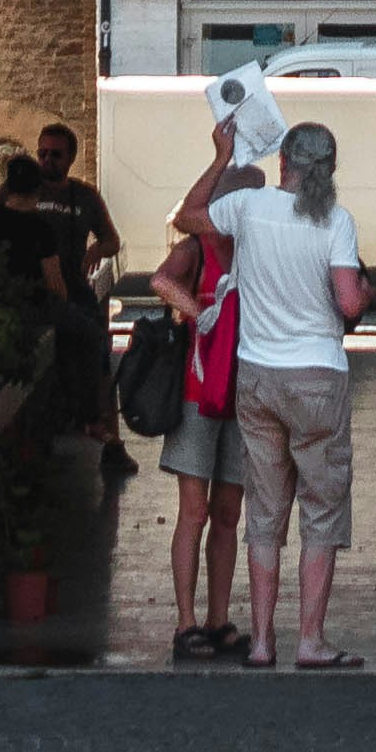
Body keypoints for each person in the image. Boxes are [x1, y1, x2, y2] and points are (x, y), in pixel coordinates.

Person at [193, 116, 373, 667]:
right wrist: (363, 289)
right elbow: (347, 305)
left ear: (284, 164)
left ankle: (264, 641)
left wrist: (221, 156)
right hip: (317, 377)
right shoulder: (336, 224)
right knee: (321, 509)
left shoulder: (248, 207)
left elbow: (190, 216)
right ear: (331, 171)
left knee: (265, 512)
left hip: (258, 377)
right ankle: (310, 641)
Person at [141, 190, 245, 660]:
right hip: (196, 392)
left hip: (243, 394)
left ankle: (218, 619)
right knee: (194, 511)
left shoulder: (252, 248)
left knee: (228, 513)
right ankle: (186, 623)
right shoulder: (195, 248)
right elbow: (161, 280)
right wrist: (200, 311)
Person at [30, 127, 127, 457]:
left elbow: (112, 240)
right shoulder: (27, 191)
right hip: (33, 290)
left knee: (98, 348)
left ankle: (106, 433)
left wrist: (95, 252)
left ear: (70, 158)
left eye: (55, 154)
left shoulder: (85, 197)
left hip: (73, 286)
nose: (47, 160)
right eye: (42, 153)